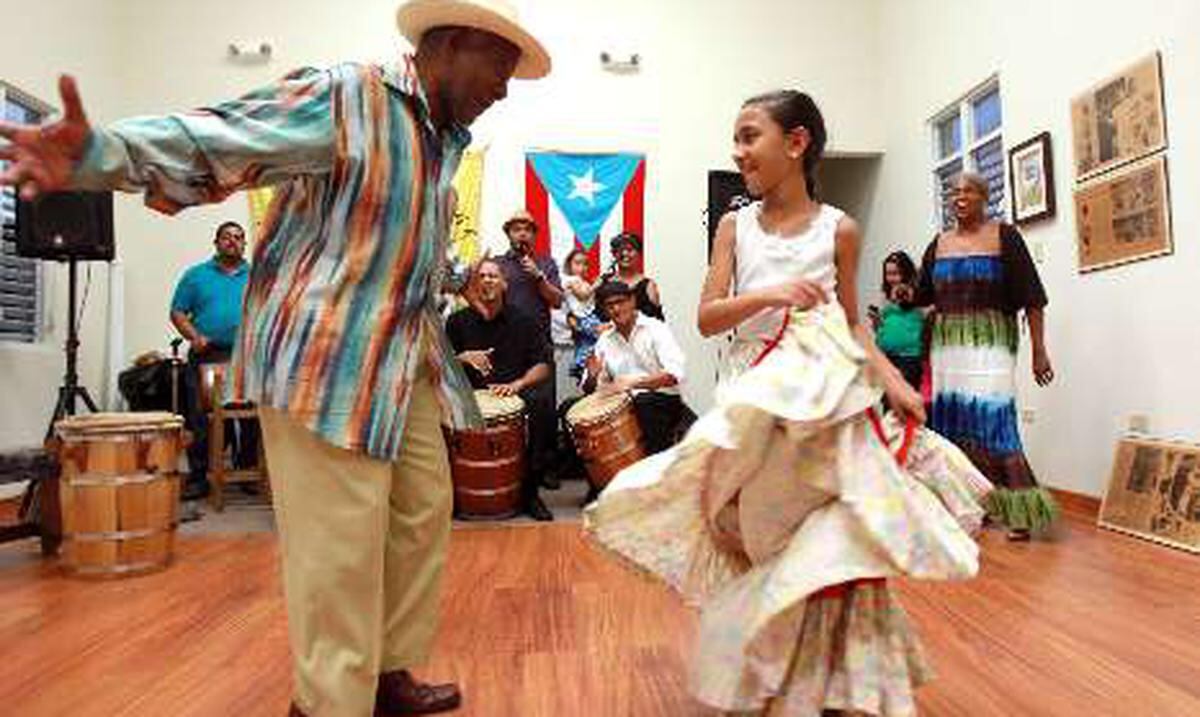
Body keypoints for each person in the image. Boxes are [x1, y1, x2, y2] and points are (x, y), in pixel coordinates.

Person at [0, 1, 552, 714]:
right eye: (499, 67)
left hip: (403, 357)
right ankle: (329, 703)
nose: (504, 89)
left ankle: (385, 673)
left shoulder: (440, 139)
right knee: (341, 546)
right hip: (326, 357)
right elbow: (223, 135)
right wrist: (100, 153)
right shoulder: (349, 95)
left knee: (422, 512)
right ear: (450, 43)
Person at [585, 90, 991, 716]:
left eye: (750, 135)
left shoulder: (840, 229)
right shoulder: (735, 226)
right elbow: (708, 317)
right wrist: (771, 295)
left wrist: (895, 383)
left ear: (796, 143)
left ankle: (832, 683)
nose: (738, 150)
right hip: (755, 393)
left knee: (831, 541)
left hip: (825, 395)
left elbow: (851, 323)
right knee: (759, 535)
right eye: (736, 138)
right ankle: (777, 675)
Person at [915, 171, 1058, 541]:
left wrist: (1039, 350)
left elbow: (1033, 298)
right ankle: (967, 506)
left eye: (968, 191)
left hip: (991, 346)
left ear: (985, 197)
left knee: (996, 422)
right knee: (952, 424)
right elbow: (922, 296)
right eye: (954, 192)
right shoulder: (939, 244)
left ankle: (1019, 513)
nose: (959, 197)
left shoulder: (1005, 236)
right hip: (948, 350)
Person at [445, 259, 556, 521]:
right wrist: (462, 358)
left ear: (504, 284)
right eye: (481, 276)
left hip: (514, 391)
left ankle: (530, 493)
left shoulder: (524, 321)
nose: (487, 281)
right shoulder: (457, 321)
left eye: (493, 276)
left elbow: (543, 365)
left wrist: (518, 384)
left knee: (540, 403)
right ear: (474, 284)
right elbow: (439, 364)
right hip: (470, 393)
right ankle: (455, 492)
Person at [170, 220, 257, 500]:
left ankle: (247, 472)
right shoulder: (196, 275)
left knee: (250, 418)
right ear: (216, 242)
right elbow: (178, 312)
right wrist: (194, 336)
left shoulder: (256, 276)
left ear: (244, 244)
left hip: (245, 356)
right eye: (227, 236)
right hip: (207, 356)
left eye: (239, 237)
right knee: (200, 418)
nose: (233, 241)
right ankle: (199, 478)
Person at [583, 281, 695, 455]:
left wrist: (632, 384)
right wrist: (592, 377)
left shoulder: (655, 329)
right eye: (610, 305)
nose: (616, 309)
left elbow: (674, 375)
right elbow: (589, 388)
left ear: (632, 301)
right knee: (568, 408)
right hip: (622, 405)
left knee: (643, 401)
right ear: (604, 310)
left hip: (662, 401)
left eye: (620, 302)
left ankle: (657, 464)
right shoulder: (604, 340)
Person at [868, 250, 925, 392]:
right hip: (886, 356)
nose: (891, 278)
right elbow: (880, 327)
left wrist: (906, 295)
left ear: (906, 272)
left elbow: (922, 313)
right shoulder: (885, 295)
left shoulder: (916, 292)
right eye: (888, 273)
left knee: (905, 395)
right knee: (886, 397)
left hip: (909, 358)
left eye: (896, 273)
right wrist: (876, 321)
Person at [560, 248, 606, 377]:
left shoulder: (581, 281)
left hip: (587, 316)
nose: (582, 267)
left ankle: (580, 364)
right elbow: (583, 295)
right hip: (582, 318)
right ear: (569, 265)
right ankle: (580, 364)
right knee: (602, 335)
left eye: (585, 264)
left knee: (587, 343)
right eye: (577, 263)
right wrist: (596, 285)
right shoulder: (571, 280)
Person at [598, 231, 664, 320]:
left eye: (630, 250)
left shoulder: (648, 285)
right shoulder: (603, 281)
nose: (625, 254)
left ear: (638, 253)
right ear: (614, 254)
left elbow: (658, 321)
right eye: (620, 250)